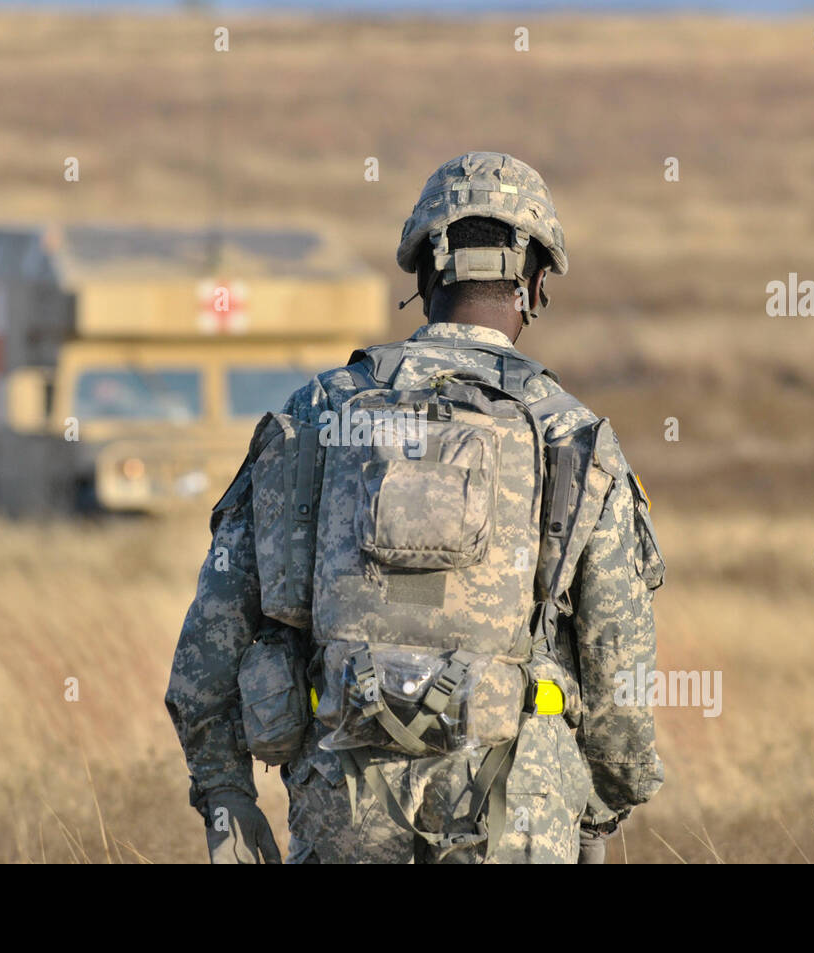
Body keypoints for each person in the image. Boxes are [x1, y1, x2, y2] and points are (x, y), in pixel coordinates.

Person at [166, 152, 665, 864]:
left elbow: (206, 653)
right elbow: (620, 679)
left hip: (343, 819)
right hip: (518, 820)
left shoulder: (316, 416)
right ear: (537, 281)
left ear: (424, 273)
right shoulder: (575, 440)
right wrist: (597, 811)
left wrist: (226, 796)